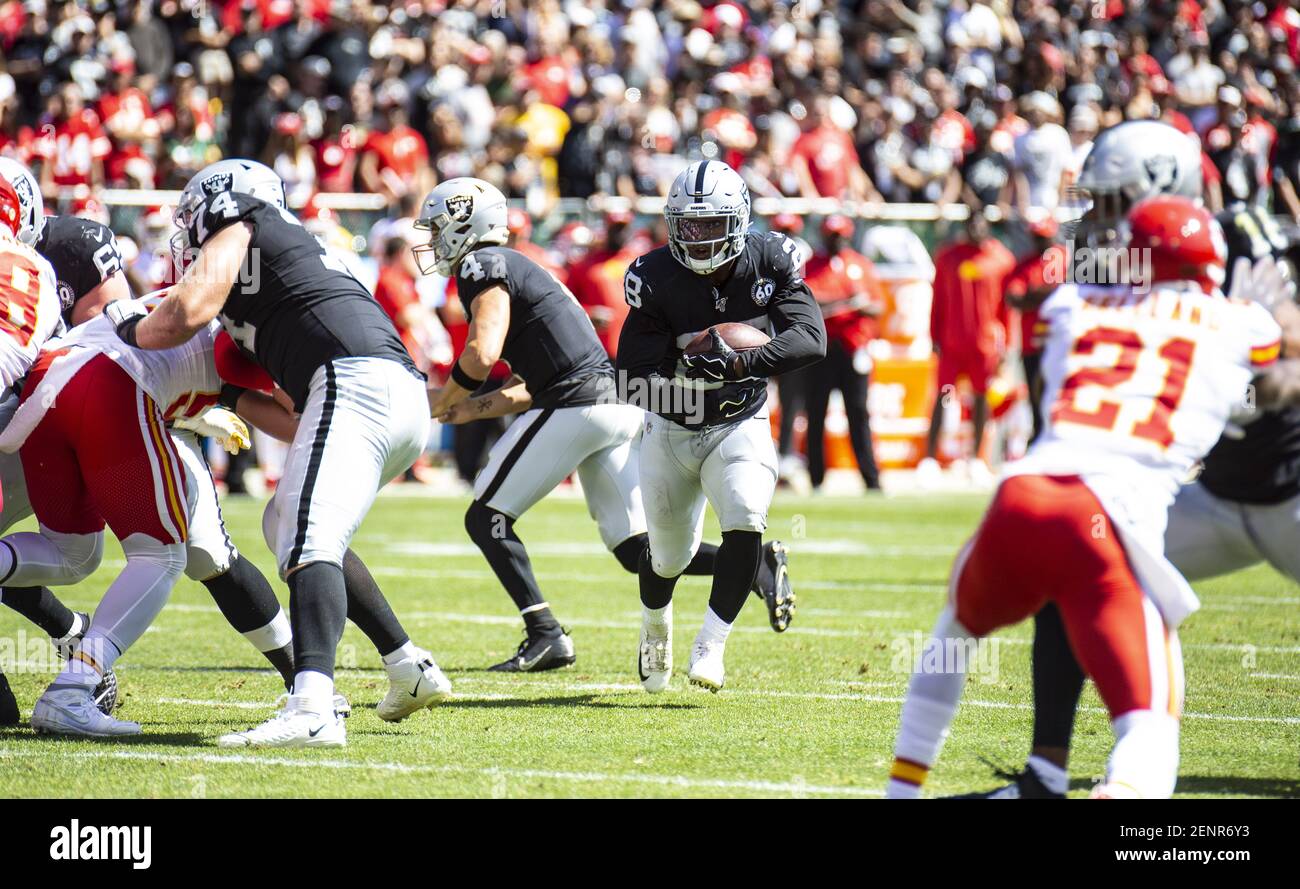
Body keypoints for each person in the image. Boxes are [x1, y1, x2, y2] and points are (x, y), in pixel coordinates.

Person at [886, 196, 1284, 799]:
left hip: (1022, 495)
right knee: (1150, 721)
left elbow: (1070, 334)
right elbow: (1272, 375)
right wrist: (1274, 308)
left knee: (954, 634)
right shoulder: (1240, 323)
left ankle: (902, 790)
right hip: (1107, 516)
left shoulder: (1070, 302)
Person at [104, 159, 449, 748]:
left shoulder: (244, 216)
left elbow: (183, 315)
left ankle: (312, 707)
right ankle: (407, 663)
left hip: (356, 381)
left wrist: (126, 328)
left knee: (307, 532)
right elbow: (293, 420)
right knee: (286, 520)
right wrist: (227, 395)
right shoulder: (277, 282)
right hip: (386, 394)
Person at [617, 160, 825, 692]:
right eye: (689, 224)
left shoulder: (771, 257)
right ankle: (655, 625)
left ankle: (711, 645)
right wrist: (689, 372)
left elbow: (809, 339)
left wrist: (738, 365)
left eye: (711, 224)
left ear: (739, 221)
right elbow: (631, 381)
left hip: (740, 418)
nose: (699, 236)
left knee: (746, 516)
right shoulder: (653, 277)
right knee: (668, 556)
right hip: (673, 426)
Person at [918, 211, 1015, 484]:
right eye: (972, 224)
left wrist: (1006, 342)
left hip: (984, 344)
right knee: (943, 396)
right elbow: (938, 300)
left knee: (982, 398)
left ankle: (976, 459)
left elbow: (1006, 308)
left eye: (981, 225)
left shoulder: (1001, 259)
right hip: (952, 341)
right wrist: (934, 335)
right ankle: (929, 459)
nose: (976, 229)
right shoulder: (948, 257)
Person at [801, 214, 886, 491]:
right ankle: (816, 478)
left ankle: (870, 479)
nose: (835, 239)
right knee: (816, 413)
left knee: (858, 413)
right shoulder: (813, 266)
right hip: (822, 350)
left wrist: (855, 306)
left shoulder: (859, 265)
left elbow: (877, 305)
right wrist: (847, 303)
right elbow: (809, 302)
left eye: (840, 234)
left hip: (853, 347)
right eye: (831, 234)